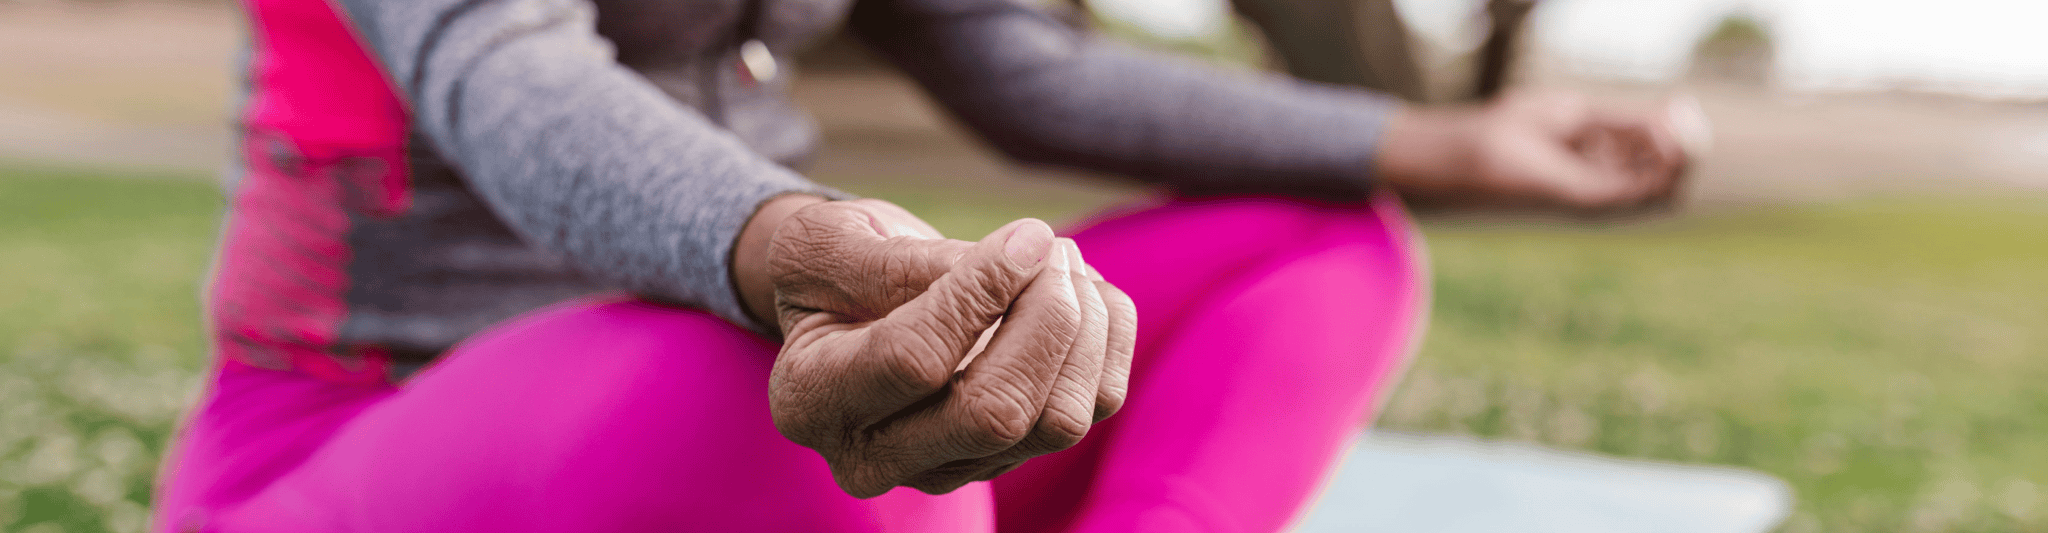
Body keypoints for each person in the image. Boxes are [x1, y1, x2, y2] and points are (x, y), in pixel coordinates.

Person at [151, 0, 1695, 530]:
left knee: (1320, 241)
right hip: (358, 446)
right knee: (802, 385)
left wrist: (1442, 140)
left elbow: (1017, 62)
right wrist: (794, 247)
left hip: (769, 413)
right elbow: (509, 72)